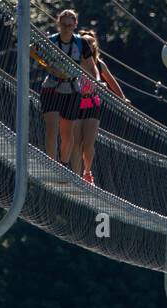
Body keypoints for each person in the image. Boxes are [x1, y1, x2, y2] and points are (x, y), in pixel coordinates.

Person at [72, 30, 128, 184]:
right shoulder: (72, 60)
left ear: (94, 45)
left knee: (88, 142)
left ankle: (87, 172)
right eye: (84, 43)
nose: (87, 46)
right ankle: (76, 175)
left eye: (90, 43)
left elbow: (111, 82)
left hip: (92, 104)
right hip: (75, 103)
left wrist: (122, 99)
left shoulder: (98, 64)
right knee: (76, 142)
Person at [35, 9, 85, 164]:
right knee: (51, 129)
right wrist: (47, 67)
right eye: (64, 25)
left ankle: (63, 163)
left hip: (72, 89)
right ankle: (51, 164)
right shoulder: (51, 40)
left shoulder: (81, 43)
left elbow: (90, 65)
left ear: (75, 25)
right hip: (52, 86)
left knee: (67, 132)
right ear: (58, 24)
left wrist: (95, 81)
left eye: (70, 25)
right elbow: (33, 50)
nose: (67, 28)